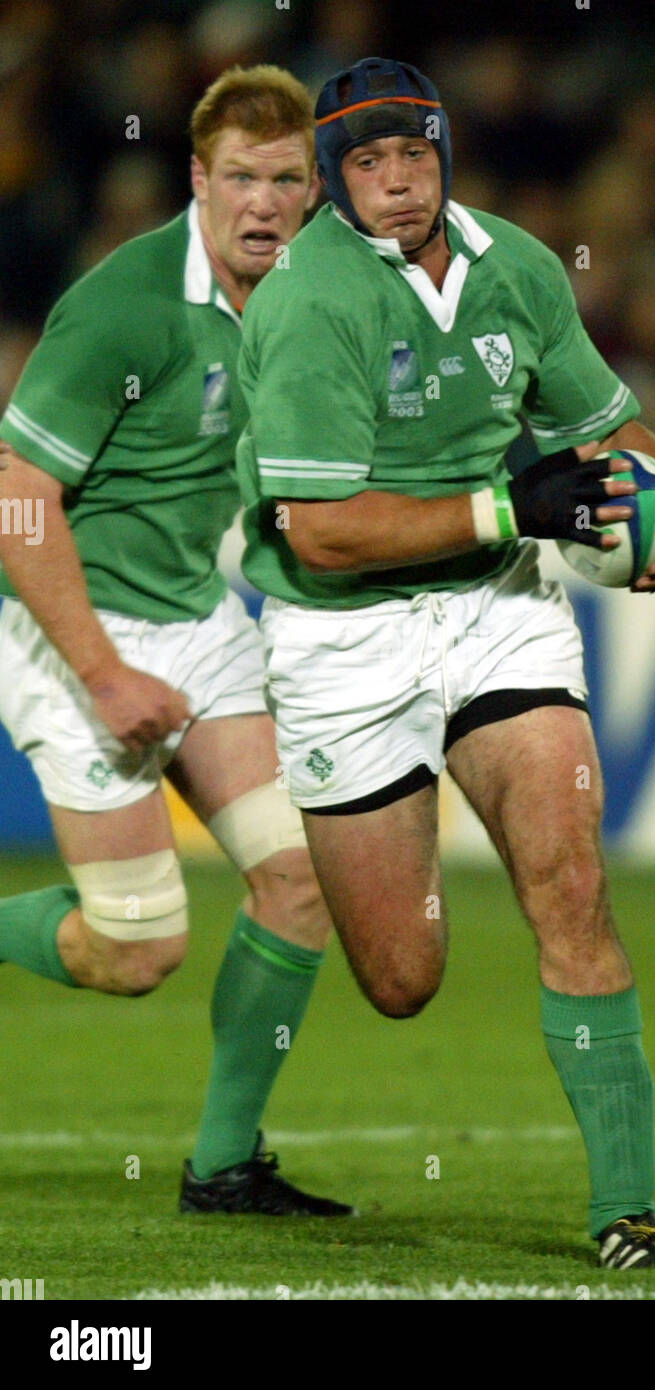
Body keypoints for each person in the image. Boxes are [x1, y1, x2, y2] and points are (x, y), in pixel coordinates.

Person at [237, 57, 655, 1269]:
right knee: (401, 976)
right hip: (342, 633)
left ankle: (628, 1209)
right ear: (333, 185)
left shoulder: (517, 268)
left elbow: (601, 428)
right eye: (366, 164)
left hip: (496, 612)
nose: (396, 182)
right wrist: (510, 506)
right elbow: (321, 530)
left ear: (442, 152)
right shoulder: (307, 299)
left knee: (570, 881)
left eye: (413, 156)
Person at [0, 65, 354, 1219]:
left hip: (199, 620)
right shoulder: (127, 304)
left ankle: (222, 1164)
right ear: (197, 180)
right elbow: (16, 495)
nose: (262, 202)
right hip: (74, 629)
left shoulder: (315, 292)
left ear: (314, 192)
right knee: (137, 949)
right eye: (239, 177)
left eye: (284, 180)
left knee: (301, 882)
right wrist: (100, 672)